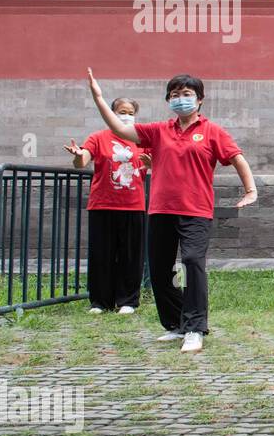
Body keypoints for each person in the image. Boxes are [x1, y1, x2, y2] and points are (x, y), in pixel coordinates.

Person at [86, 68, 257, 353]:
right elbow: (120, 129)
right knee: (160, 271)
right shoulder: (158, 131)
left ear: (199, 100)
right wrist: (99, 98)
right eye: (175, 95)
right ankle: (176, 324)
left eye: (187, 94)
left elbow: (237, 158)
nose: (181, 99)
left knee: (192, 262)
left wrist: (250, 190)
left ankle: (195, 327)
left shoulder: (212, 132)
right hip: (160, 211)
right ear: (169, 100)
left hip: (195, 211)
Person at [64, 97, 151, 315]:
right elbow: (83, 160)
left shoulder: (142, 139)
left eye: (131, 112)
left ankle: (128, 300)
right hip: (102, 204)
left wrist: (153, 164)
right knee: (101, 254)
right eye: (122, 111)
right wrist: (77, 156)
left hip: (133, 205)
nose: (126, 116)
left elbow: (157, 164)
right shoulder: (98, 138)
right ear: (110, 113)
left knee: (131, 255)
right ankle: (100, 301)